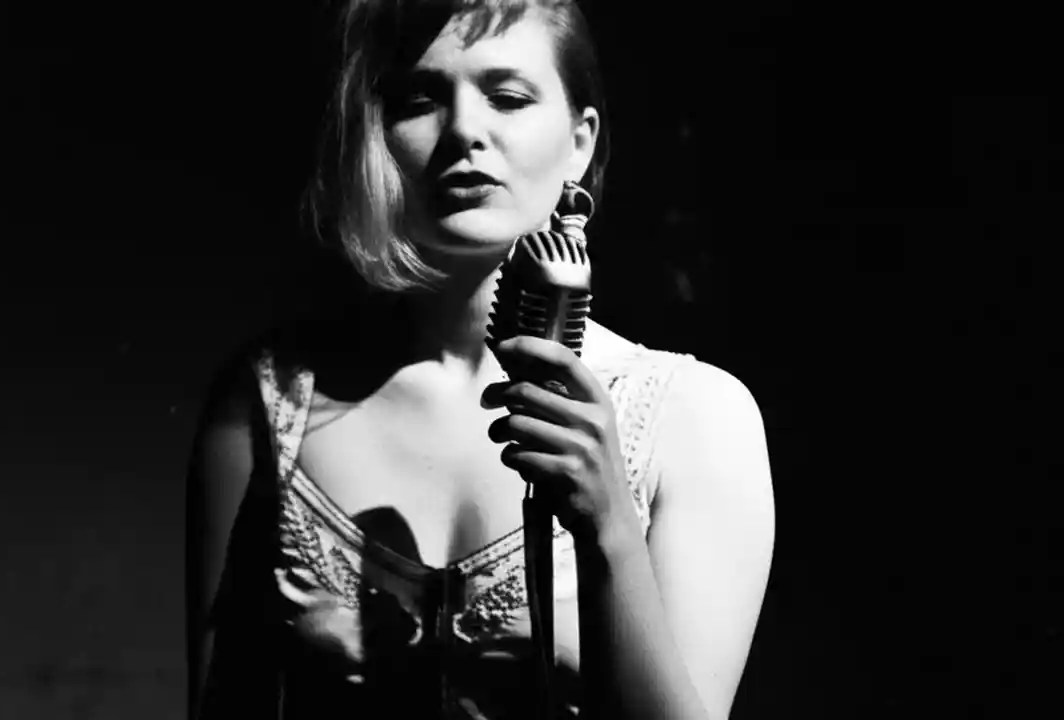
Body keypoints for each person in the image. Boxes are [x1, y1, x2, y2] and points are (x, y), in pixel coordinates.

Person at [185, 1, 775, 718]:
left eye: (507, 97)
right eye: (420, 99)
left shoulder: (697, 418)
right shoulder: (269, 405)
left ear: (579, 141)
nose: (465, 130)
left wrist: (610, 527)